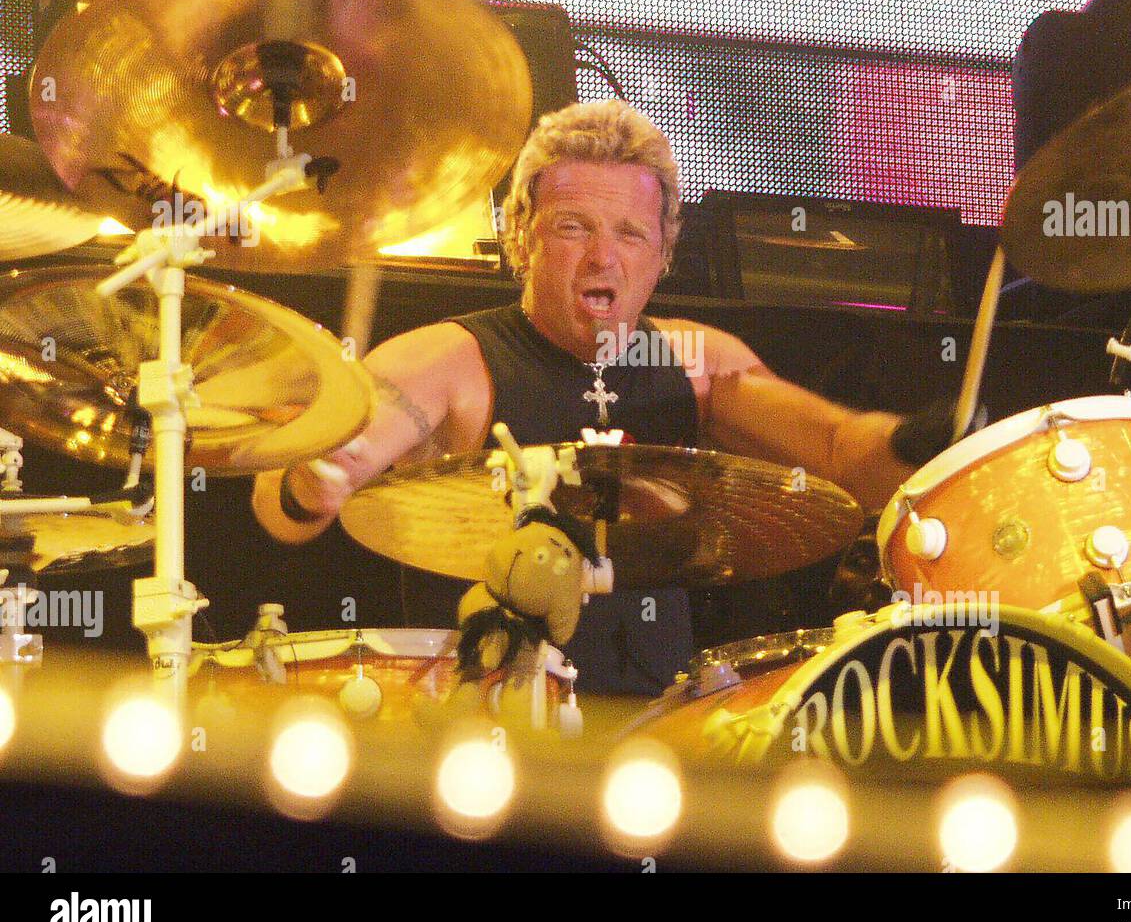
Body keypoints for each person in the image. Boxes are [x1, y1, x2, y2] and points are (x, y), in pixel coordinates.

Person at [252, 99, 960, 694]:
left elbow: (840, 452)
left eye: (630, 233)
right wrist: (317, 476)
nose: (603, 257)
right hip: (480, 729)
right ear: (522, 235)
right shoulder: (453, 360)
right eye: (573, 227)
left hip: (653, 735)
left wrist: (910, 442)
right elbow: (287, 501)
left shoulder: (694, 359)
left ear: (663, 253)